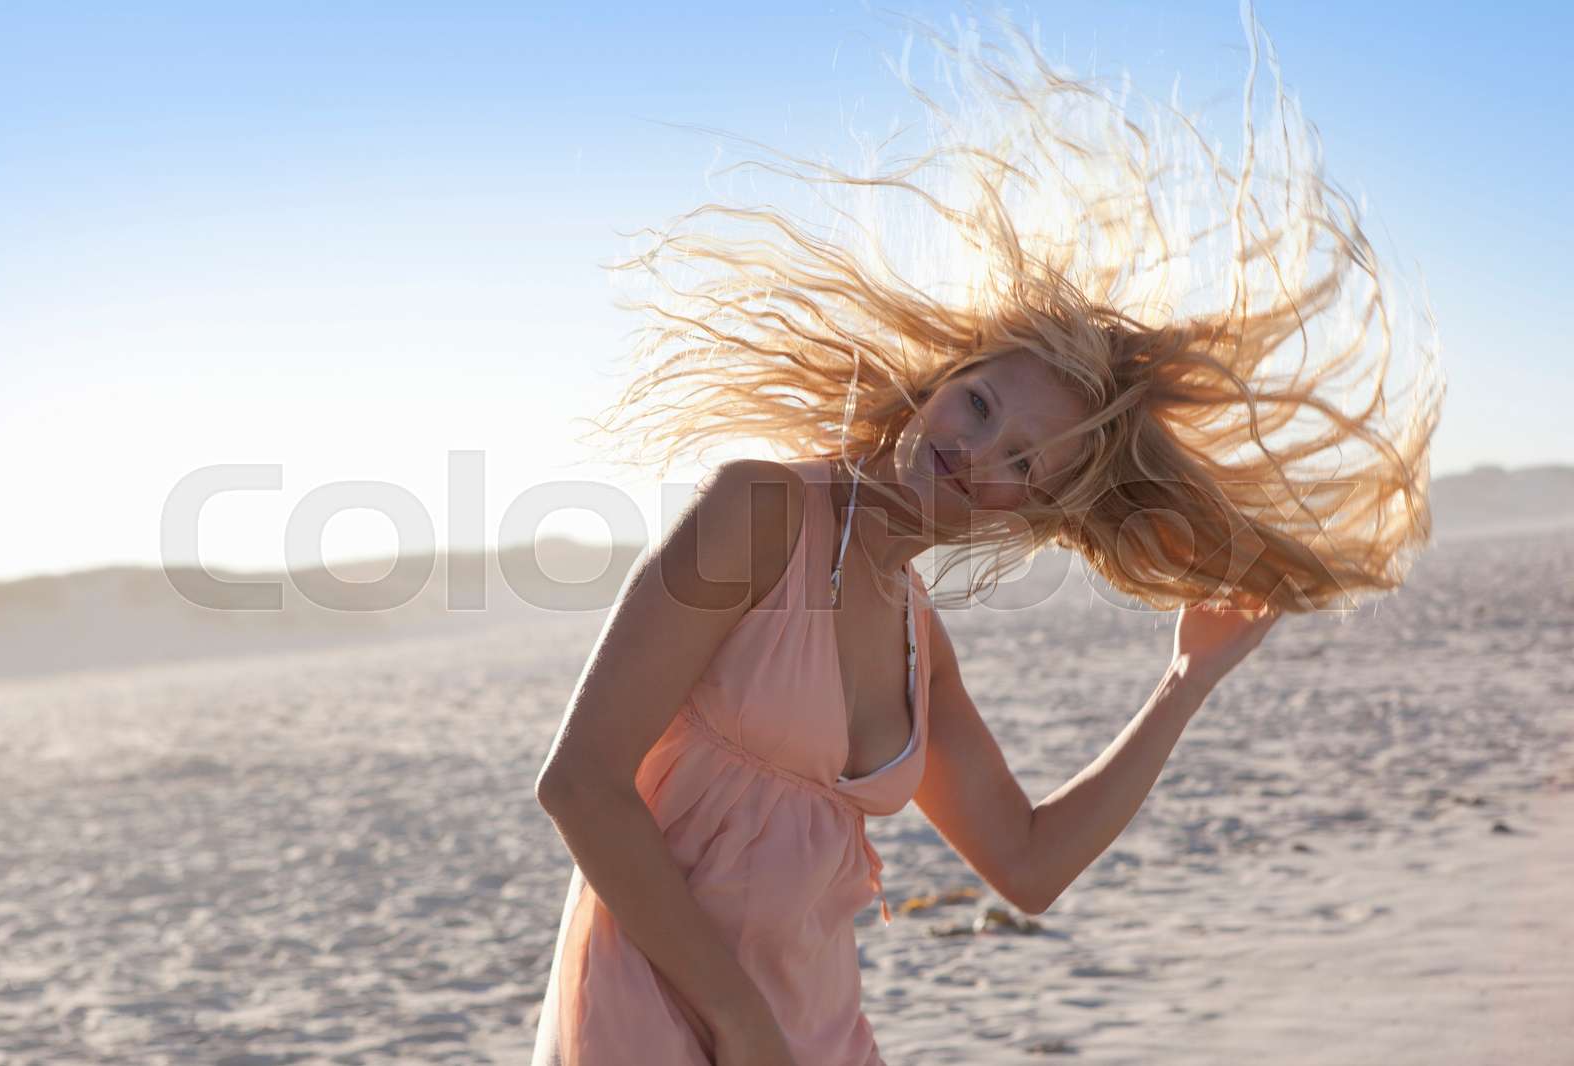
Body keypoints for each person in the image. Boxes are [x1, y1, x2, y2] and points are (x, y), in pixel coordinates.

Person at [530, 8, 1443, 1064]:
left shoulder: (922, 643)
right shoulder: (760, 512)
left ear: (1038, 517)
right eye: (976, 407)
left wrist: (1185, 681)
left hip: (815, 1034)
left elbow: (1025, 862)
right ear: (934, 387)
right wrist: (736, 1022)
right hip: (655, 1026)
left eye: (1022, 464)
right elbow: (579, 783)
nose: (977, 453)